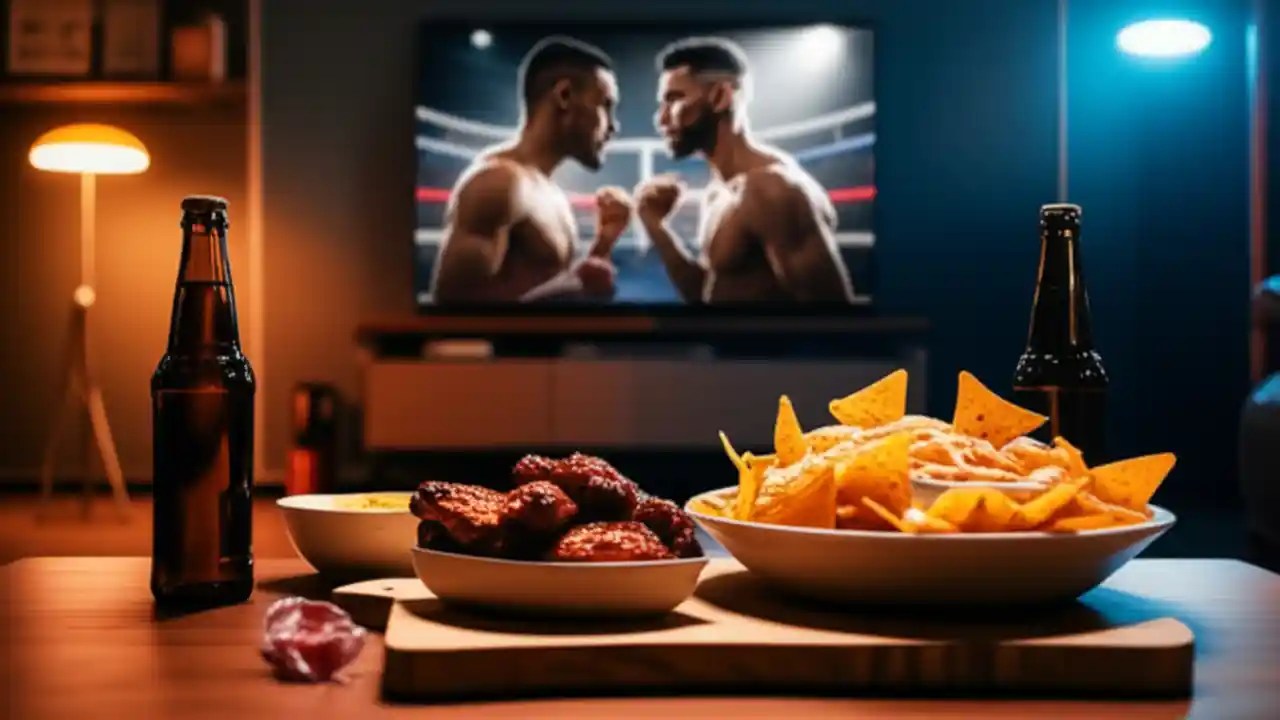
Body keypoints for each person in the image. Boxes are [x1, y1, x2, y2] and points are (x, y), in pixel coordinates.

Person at [635, 37, 856, 303]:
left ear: (720, 97)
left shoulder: (771, 190)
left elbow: (833, 314)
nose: (660, 119)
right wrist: (656, 227)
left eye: (674, 99)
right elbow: (707, 294)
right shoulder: (719, 189)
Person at [430, 36, 633, 304]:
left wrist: (604, 242)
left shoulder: (549, 190)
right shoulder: (498, 182)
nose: (614, 126)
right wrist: (571, 285)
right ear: (564, 95)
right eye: (605, 105)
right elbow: (452, 308)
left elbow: (554, 289)